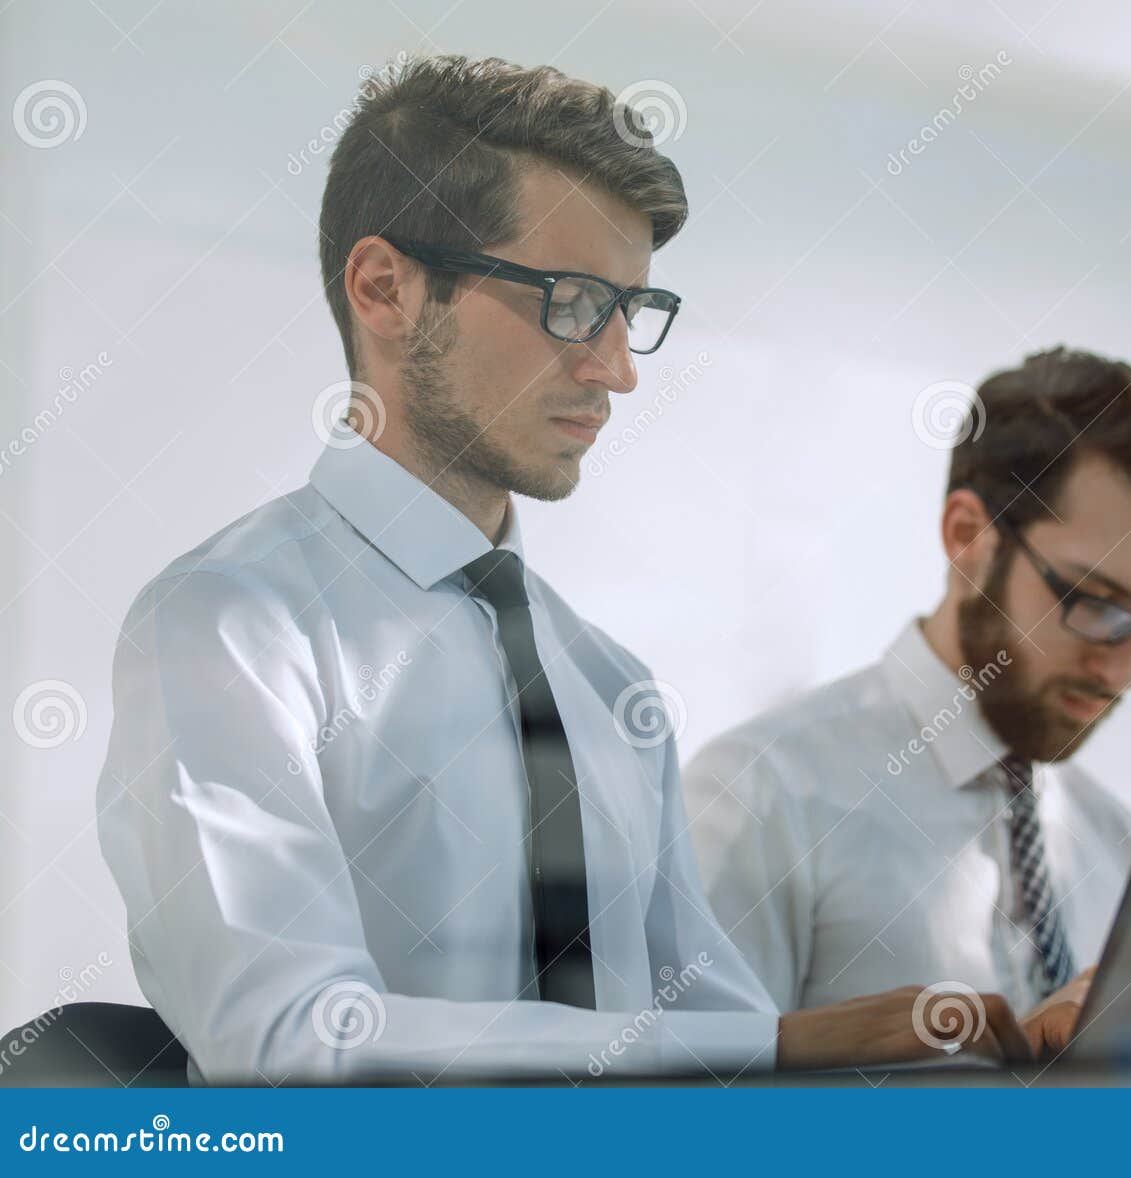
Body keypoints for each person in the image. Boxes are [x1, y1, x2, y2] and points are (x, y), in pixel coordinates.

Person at [93, 54, 1056, 1083]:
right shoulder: (230, 625)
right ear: (386, 288)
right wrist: (779, 1038)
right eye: (569, 300)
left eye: (629, 311)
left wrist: (1025, 1060)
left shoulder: (608, 684)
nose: (616, 368)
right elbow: (286, 1039)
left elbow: (720, 1054)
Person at [685, 347, 1131, 1055]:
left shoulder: (1115, 843)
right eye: (1098, 605)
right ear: (969, 538)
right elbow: (674, 1127)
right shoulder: (759, 796)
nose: (1123, 666)